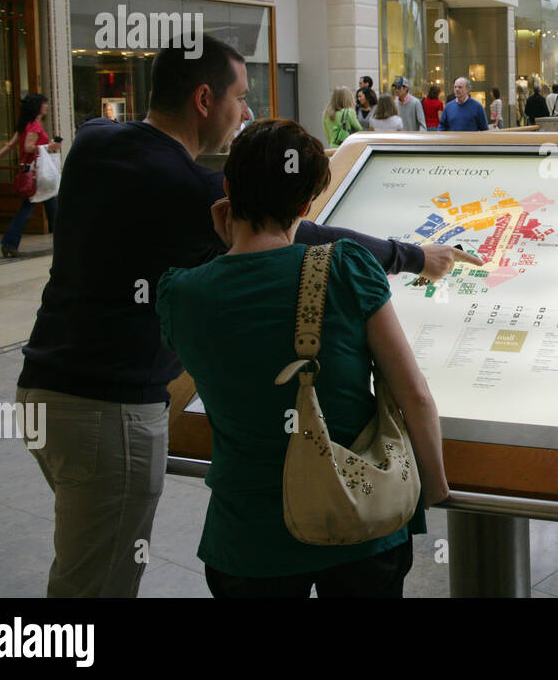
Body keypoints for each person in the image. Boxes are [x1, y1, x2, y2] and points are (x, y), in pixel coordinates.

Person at [15, 37, 476, 598]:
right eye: (240, 97)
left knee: (83, 561)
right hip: (110, 412)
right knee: (96, 583)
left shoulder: (94, 141)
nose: (245, 111)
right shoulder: (184, 186)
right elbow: (305, 235)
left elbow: (271, 226)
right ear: (205, 99)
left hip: (44, 389)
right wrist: (414, 257)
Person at [156, 120, 450, 597]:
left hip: (248, 537)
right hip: (360, 521)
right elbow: (413, 393)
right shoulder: (347, 267)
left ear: (228, 188)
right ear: (306, 205)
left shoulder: (180, 293)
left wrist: (229, 247)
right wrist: (434, 486)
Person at [0, 93, 63, 258]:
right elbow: (28, 147)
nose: (46, 106)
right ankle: (9, 243)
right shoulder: (34, 125)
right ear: (38, 107)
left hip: (31, 171)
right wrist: (50, 146)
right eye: (44, 104)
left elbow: (11, 145)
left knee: (51, 207)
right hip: (37, 173)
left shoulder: (25, 124)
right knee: (34, 208)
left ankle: (10, 243)